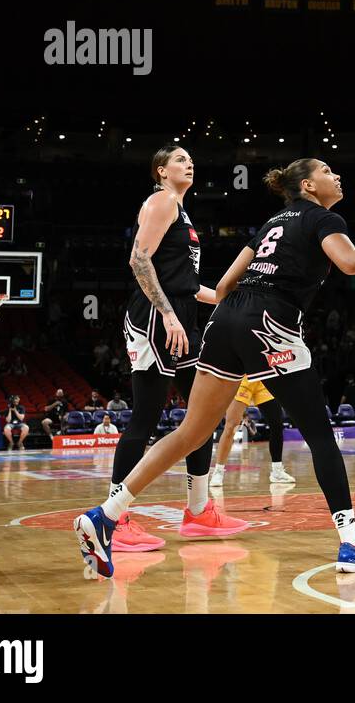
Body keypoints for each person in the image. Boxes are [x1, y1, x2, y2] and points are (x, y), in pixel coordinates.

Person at [75, 158, 355, 578]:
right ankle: (351, 544)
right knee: (319, 436)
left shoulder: (271, 223)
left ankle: (107, 514)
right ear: (308, 186)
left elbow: (222, 288)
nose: (338, 176)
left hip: (225, 320)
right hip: (270, 323)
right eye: (328, 171)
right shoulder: (323, 218)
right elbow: (350, 263)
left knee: (190, 433)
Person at [107, 146, 236, 557]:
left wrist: (222, 297)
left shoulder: (181, 210)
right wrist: (167, 315)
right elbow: (138, 259)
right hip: (154, 316)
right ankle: (114, 520)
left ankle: (199, 511)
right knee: (145, 418)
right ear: (161, 171)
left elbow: (182, 281)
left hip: (180, 315)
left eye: (191, 159)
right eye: (180, 160)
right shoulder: (161, 200)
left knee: (201, 416)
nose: (189, 163)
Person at [212, 376, 294, 488]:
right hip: (242, 379)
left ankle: (277, 471)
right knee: (231, 427)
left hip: (262, 378)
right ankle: (218, 472)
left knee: (277, 424)